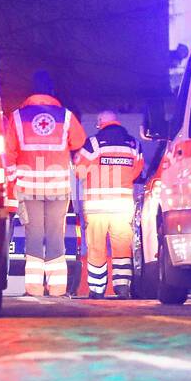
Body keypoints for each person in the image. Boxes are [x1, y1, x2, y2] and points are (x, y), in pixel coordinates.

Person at [5, 70, 84, 296]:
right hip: (58, 189)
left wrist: (13, 179)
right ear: (51, 91)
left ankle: (34, 287)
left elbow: (8, 153)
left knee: (34, 235)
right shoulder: (65, 116)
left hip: (28, 189)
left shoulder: (18, 117)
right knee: (55, 235)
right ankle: (58, 288)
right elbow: (78, 141)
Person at [75, 110, 143, 298]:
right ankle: (122, 287)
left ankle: (97, 290)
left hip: (97, 207)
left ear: (100, 122)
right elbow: (137, 171)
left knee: (96, 247)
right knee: (122, 246)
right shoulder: (133, 144)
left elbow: (79, 170)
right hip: (122, 206)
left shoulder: (93, 144)